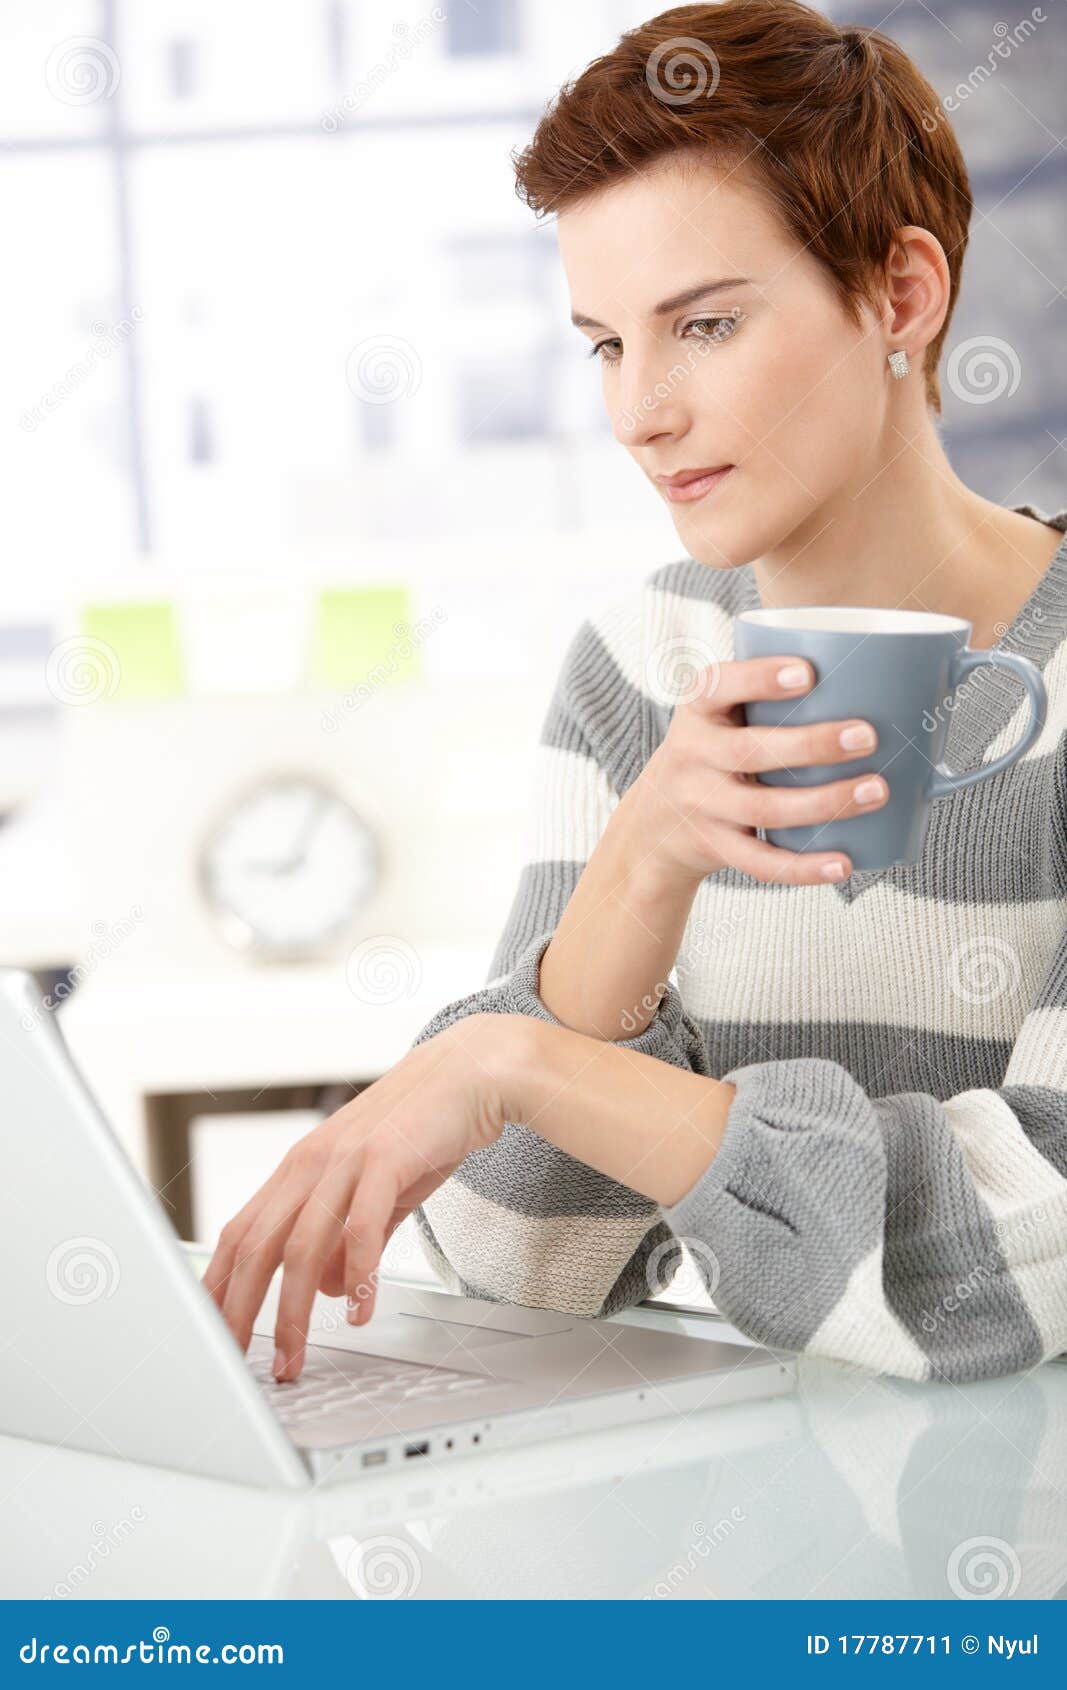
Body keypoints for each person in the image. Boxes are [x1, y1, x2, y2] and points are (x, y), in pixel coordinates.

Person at [204, 0, 1067, 1386]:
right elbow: (514, 1267)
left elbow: (1012, 1274)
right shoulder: (635, 672)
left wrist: (521, 1062)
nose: (639, 412)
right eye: (606, 343)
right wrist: (641, 864)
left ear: (902, 297)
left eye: (705, 325)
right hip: (701, 1540)